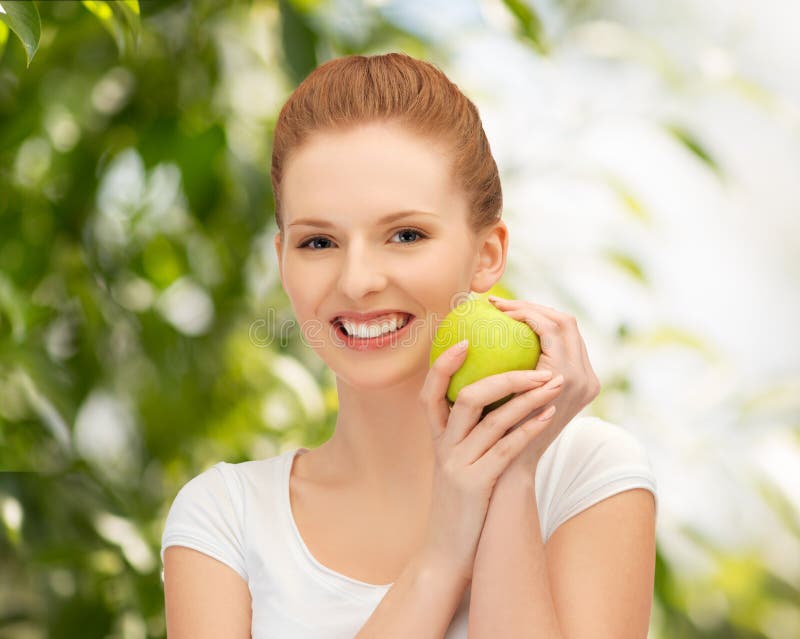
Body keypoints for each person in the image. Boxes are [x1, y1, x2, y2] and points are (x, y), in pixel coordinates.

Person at [161, 52, 658, 638]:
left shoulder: (586, 476)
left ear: (487, 255)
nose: (357, 280)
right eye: (318, 242)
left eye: (405, 235)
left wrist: (510, 478)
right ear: (282, 263)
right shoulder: (224, 520)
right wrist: (442, 554)